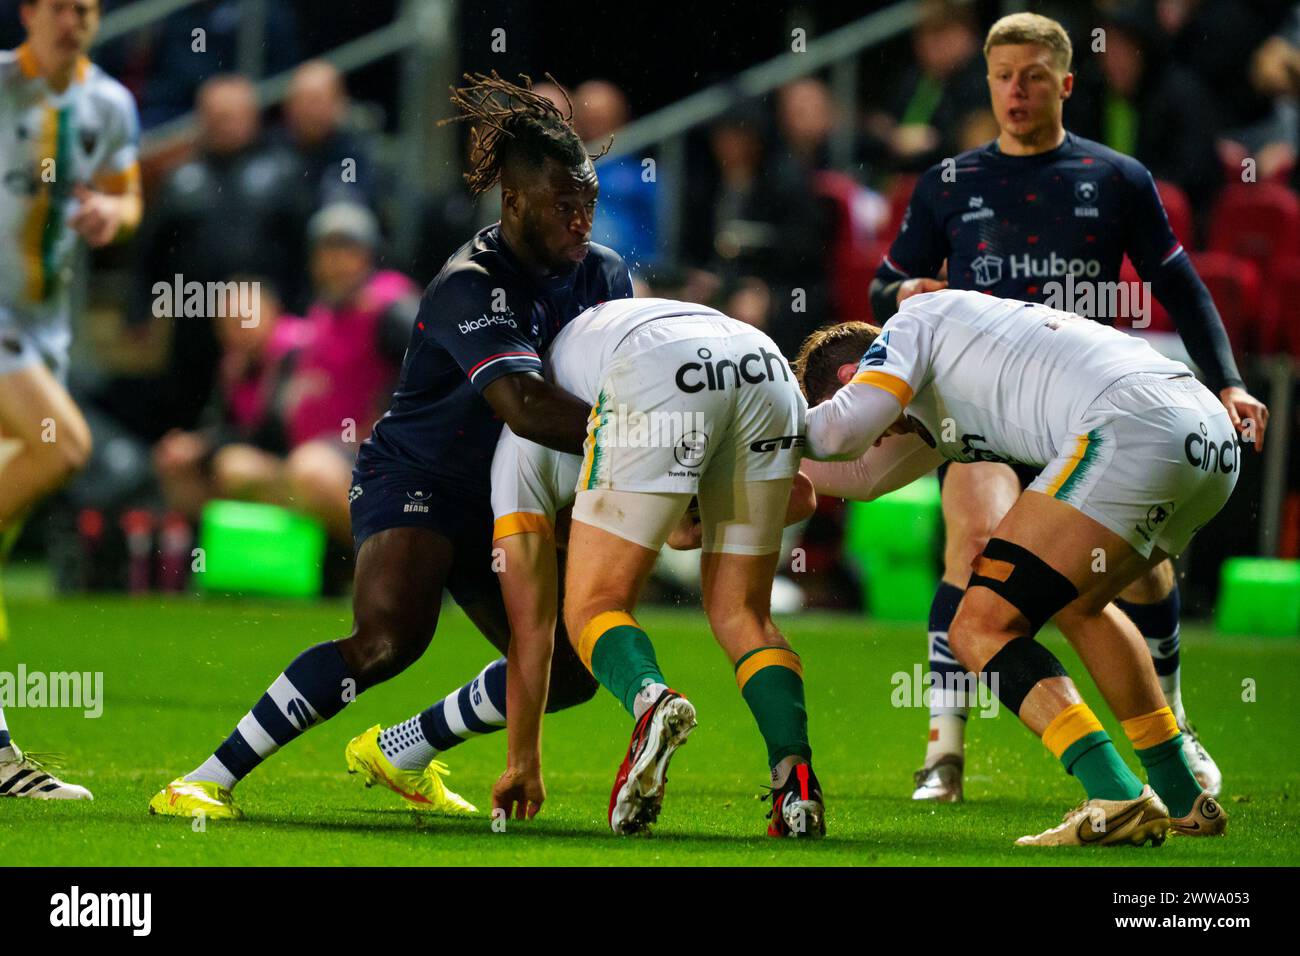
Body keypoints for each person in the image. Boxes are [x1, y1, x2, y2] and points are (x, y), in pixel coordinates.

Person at [148, 72, 633, 821]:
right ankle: (206, 777)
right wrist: (651, 442)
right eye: (565, 207)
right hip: (420, 476)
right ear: (514, 202)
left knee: (566, 672)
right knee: (386, 642)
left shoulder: (602, 274)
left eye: (589, 206)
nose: (582, 223)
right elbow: (527, 404)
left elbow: (618, 381)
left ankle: (402, 748)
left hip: (507, 491)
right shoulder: (469, 284)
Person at [868, 11, 1269, 803]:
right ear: (987, 83)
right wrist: (906, 291)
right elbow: (887, 286)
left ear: (1066, 83)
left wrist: (1227, 379)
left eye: (1034, 77)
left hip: (1089, 411)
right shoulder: (949, 183)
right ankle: (943, 752)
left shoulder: (1116, 177)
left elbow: (1179, 285)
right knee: (971, 542)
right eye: (1002, 77)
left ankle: (1174, 726)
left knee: (1139, 575)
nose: (1016, 91)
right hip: (985, 413)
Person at [797, 289, 1245, 845]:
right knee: (1083, 604)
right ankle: (1183, 797)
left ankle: (1116, 794)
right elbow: (862, 476)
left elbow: (839, 432)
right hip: (1208, 437)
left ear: (849, 377)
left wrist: (749, 426)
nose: (880, 438)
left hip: (1131, 424)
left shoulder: (909, 325)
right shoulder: (944, 380)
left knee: (979, 625)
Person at [448, 297, 821, 835]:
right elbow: (801, 497)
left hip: (659, 366)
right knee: (743, 614)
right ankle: (797, 784)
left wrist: (521, 763)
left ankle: (653, 702)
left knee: (593, 605)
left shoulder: (512, 469)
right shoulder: (572, 377)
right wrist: (704, 508)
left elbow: (533, 631)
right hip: (761, 359)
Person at [0, 0, 141, 800]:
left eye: (87, 9)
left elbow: (128, 200)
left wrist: (109, 214)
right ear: (28, 12)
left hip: (41, 336)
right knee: (66, 447)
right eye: (59, 7)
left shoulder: (109, 105)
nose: (74, 21)